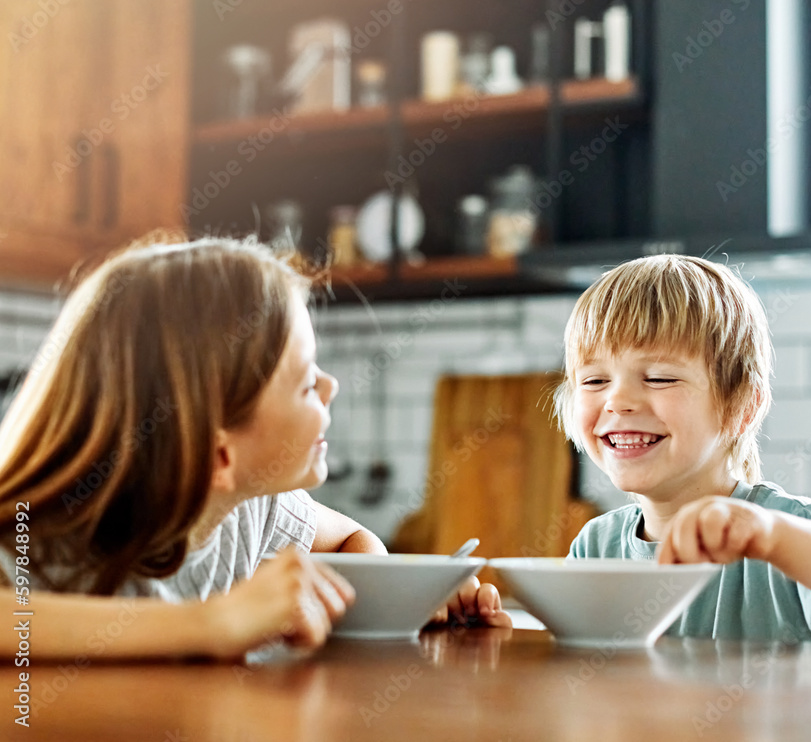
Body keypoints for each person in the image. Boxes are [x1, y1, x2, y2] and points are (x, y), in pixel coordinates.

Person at [0, 236, 509, 661]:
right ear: (220, 456)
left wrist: (399, 597)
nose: (330, 387)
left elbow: (352, 540)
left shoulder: (254, 508)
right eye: (307, 383)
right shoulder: (39, 532)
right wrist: (213, 624)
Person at [554, 255, 811, 644]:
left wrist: (771, 537)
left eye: (659, 378)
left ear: (742, 407)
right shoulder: (595, 547)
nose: (618, 400)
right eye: (594, 380)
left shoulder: (788, 532)